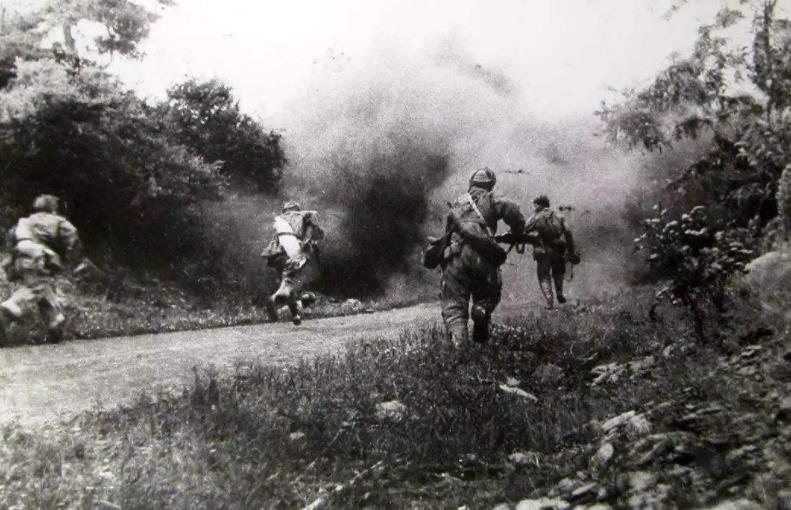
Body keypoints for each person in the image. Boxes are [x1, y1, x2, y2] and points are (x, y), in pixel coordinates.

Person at [440, 168, 526, 345]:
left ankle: (459, 347)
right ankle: (481, 309)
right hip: (483, 256)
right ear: (490, 185)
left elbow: (447, 234)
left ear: (471, 183)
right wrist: (516, 232)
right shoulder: (491, 198)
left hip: (456, 256)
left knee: (454, 306)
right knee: (488, 294)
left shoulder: (457, 203)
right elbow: (512, 210)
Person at [0, 195, 80, 343]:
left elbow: (11, 239)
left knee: (43, 290)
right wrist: (70, 256)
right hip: (38, 258)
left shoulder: (25, 221)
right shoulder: (57, 220)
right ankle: (9, 307)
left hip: (20, 258)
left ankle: (54, 323)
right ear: (53, 208)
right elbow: (72, 237)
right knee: (36, 287)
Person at [261, 200, 323, 325]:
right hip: (291, 252)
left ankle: (295, 314)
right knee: (292, 283)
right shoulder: (302, 216)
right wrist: (312, 243)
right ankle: (274, 300)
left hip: (276, 255)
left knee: (288, 282)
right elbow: (315, 230)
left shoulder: (281, 220)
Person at [524, 195, 578, 309]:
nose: (533, 207)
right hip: (558, 249)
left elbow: (524, 229)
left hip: (542, 250)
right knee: (558, 272)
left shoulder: (535, 217)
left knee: (544, 275)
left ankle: (549, 302)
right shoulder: (559, 216)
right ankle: (559, 293)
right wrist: (572, 252)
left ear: (538, 205)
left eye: (534, 204)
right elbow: (568, 233)